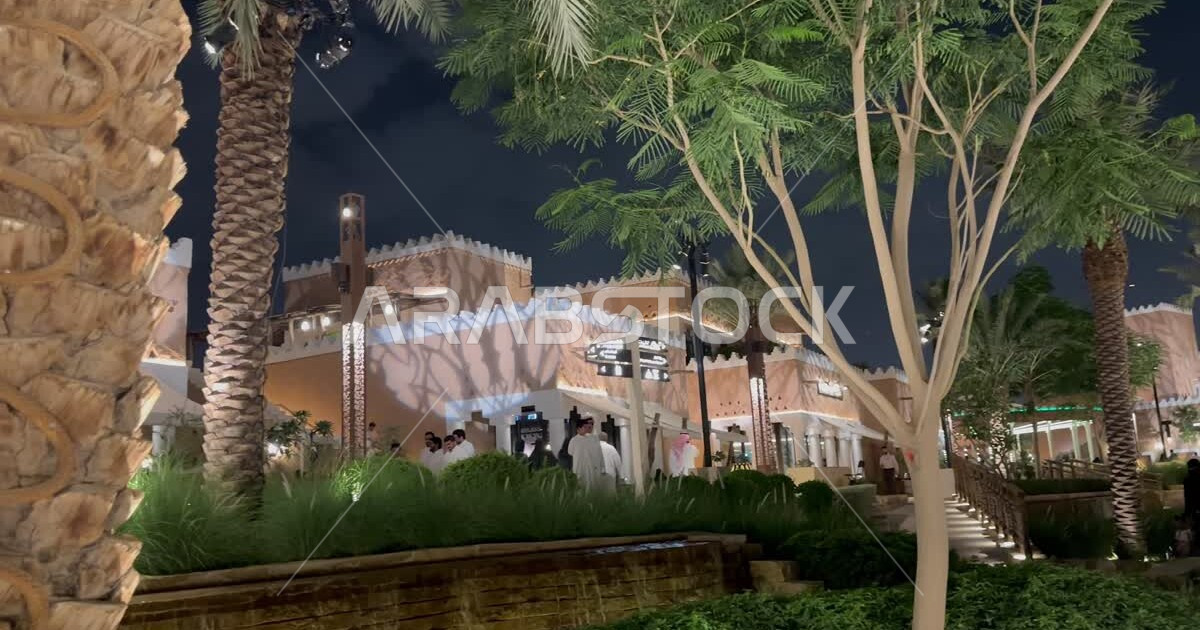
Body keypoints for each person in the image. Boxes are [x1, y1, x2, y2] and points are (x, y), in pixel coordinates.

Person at [567, 416, 605, 492]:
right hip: (580, 470)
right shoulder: (574, 440)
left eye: (591, 426)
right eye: (586, 427)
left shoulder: (594, 439)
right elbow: (570, 453)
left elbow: (600, 454)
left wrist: (602, 468)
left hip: (594, 469)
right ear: (579, 428)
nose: (589, 428)